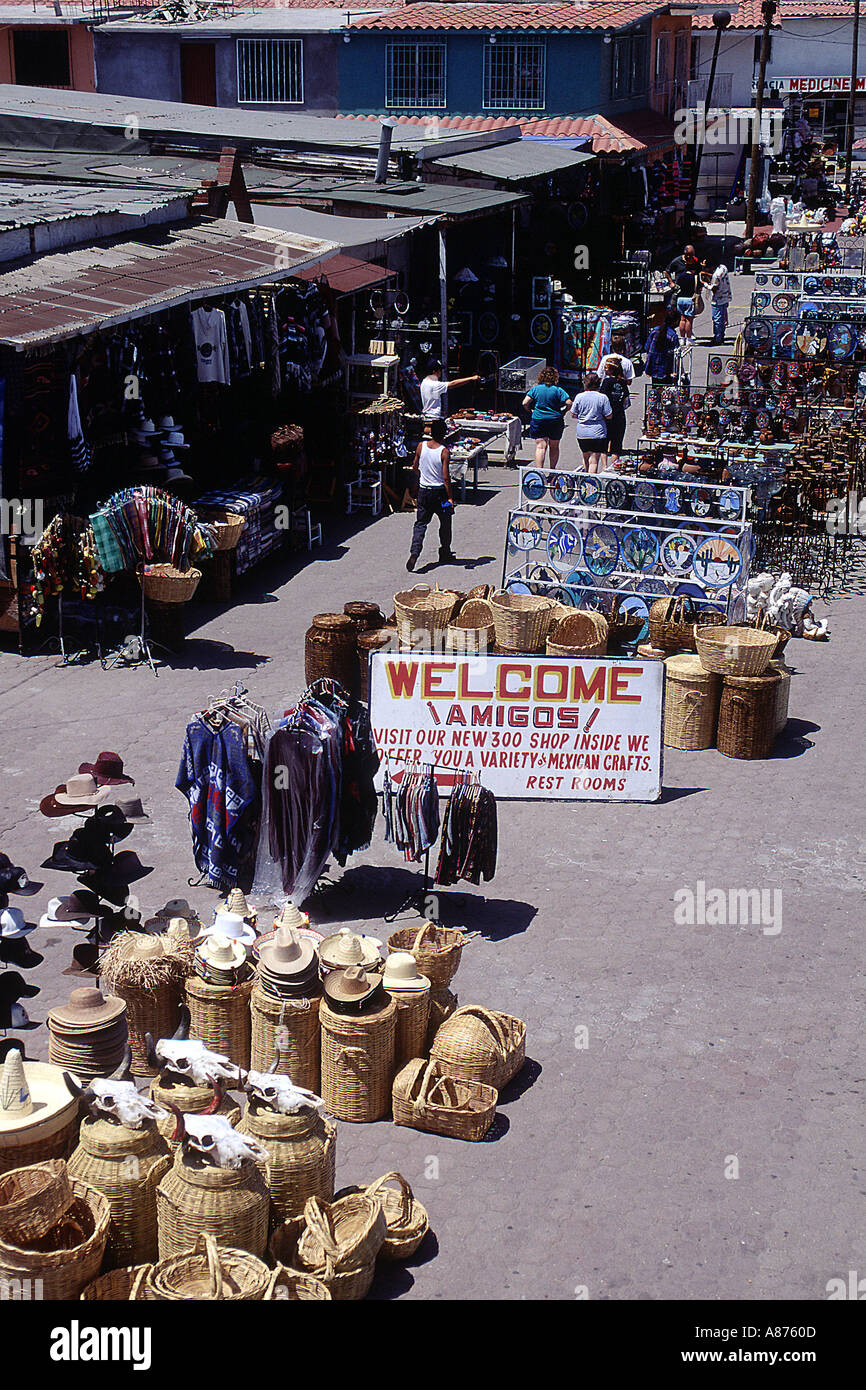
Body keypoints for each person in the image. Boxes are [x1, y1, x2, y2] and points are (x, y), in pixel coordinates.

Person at [406, 418, 456, 571]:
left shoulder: (421, 446)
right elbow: (446, 477)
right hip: (439, 492)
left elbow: (415, 467)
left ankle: (415, 553)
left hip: (424, 491)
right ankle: (445, 552)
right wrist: (450, 497)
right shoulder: (444, 452)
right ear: (444, 434)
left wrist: (422, 475)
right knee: (445, 523)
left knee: (421, 524)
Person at [522, 365, 572, 470]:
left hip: (539, 419)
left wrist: (530, 411)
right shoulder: (558, 390)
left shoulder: (535, 389)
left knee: (540, 446)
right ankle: (552, 471)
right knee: (554, 446)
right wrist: (563, 412)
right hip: (555, 420)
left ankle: (539, 471)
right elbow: (569, 403)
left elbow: (525, 403)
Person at [568, 372, 611, 473]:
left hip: (582, 432)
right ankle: (590, 483)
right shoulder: (602, 397)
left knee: (585, 458)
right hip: (597, 432)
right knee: (594, 461)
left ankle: (584, 480)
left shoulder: (579, 396)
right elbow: (609, 415)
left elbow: (573, 414)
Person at [666, 244, 699, 340]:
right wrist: (671, 282)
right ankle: (675, 333)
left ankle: (688, 333)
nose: (691, 257)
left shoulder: (694, 261)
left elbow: (699, 272)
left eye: (692, 255)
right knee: (677, 313)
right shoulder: (677, 261)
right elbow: (667, 271)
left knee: (687, 317)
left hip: (690, 292)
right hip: (678, 291)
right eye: (689, 255)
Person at [599, 358, 629, 467]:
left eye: (606, 368)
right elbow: (625, 399)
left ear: (611, 370)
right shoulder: (622, 381)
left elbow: (602, 398)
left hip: (607, 415)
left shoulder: (607, 381)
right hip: (620, 415)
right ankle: (614, 466)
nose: (604, 369)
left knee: (604, 442)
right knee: (616, 444)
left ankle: (604, 466)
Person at [701, 257, 732, 346]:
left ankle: (718, 338)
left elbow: (714, 288)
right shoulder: (723, 268)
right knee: (722, 318)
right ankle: (721, 335)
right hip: (725, 296)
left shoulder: (715, 276)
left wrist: (705, 284)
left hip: (718, 298)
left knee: (717, 319)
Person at [644, 311, 680, 384]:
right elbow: (677, 356)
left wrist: (648, 365)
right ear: (675, 322)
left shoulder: (654, 330)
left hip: (654, 368)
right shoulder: (673, 336)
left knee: (656, 389)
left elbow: (647, 349)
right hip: (666, 370)